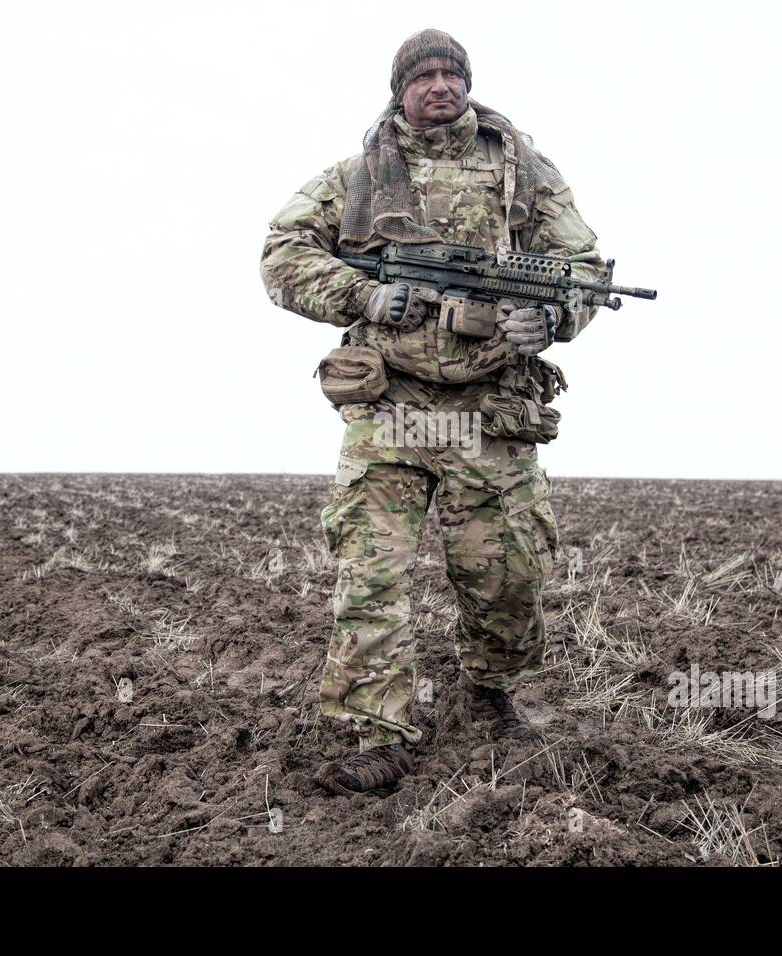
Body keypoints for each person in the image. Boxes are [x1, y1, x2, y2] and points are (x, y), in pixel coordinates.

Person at [260, 28, 606, 795]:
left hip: (492, 407)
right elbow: (282, 252)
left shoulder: (522, 170)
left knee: (508, 572)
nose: (441, 84)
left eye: (454, 73)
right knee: (371, 572)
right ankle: (374, 733)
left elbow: (583, 268)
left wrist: (549, 321)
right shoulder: (359, 175)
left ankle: (491, 691)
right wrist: (364, 294)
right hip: (391, 403)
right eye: (425, 76)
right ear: (401, 91)